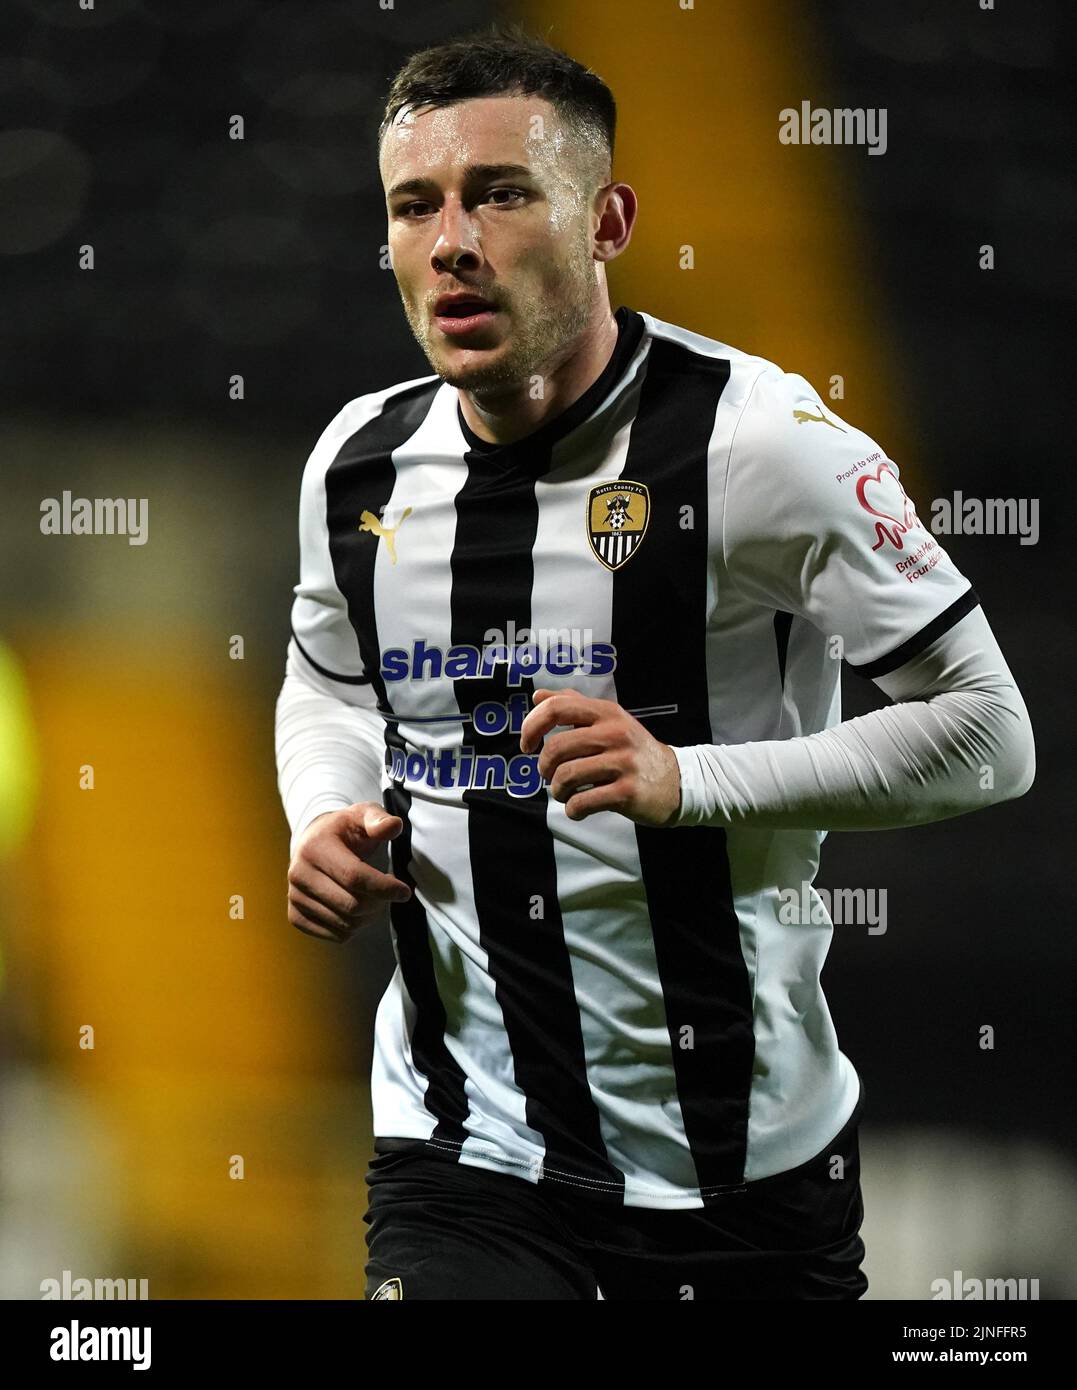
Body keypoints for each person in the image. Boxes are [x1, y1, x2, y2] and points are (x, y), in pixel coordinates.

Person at [274, 24, 1035, 1300]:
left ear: (606, 221)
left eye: (501, 194)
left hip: (747, 1176)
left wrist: (690, 778)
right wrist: (319, 810)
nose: (452, 240)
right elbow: (329, 682)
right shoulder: (357, 464)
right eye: (417, 205)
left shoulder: (767, 448)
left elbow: (988, 732)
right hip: (463, 1159)